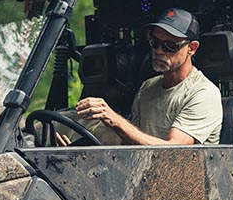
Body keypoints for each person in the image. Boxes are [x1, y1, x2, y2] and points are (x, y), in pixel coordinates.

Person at [69, 8, 222, 145]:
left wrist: (114, 119)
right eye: (155, 43)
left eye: (170, 46)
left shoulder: (203, 93)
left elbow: (174, 152)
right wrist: (75, 150)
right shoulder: (148, 87)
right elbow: (132, 141)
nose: (159, 51)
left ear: (192, 48)